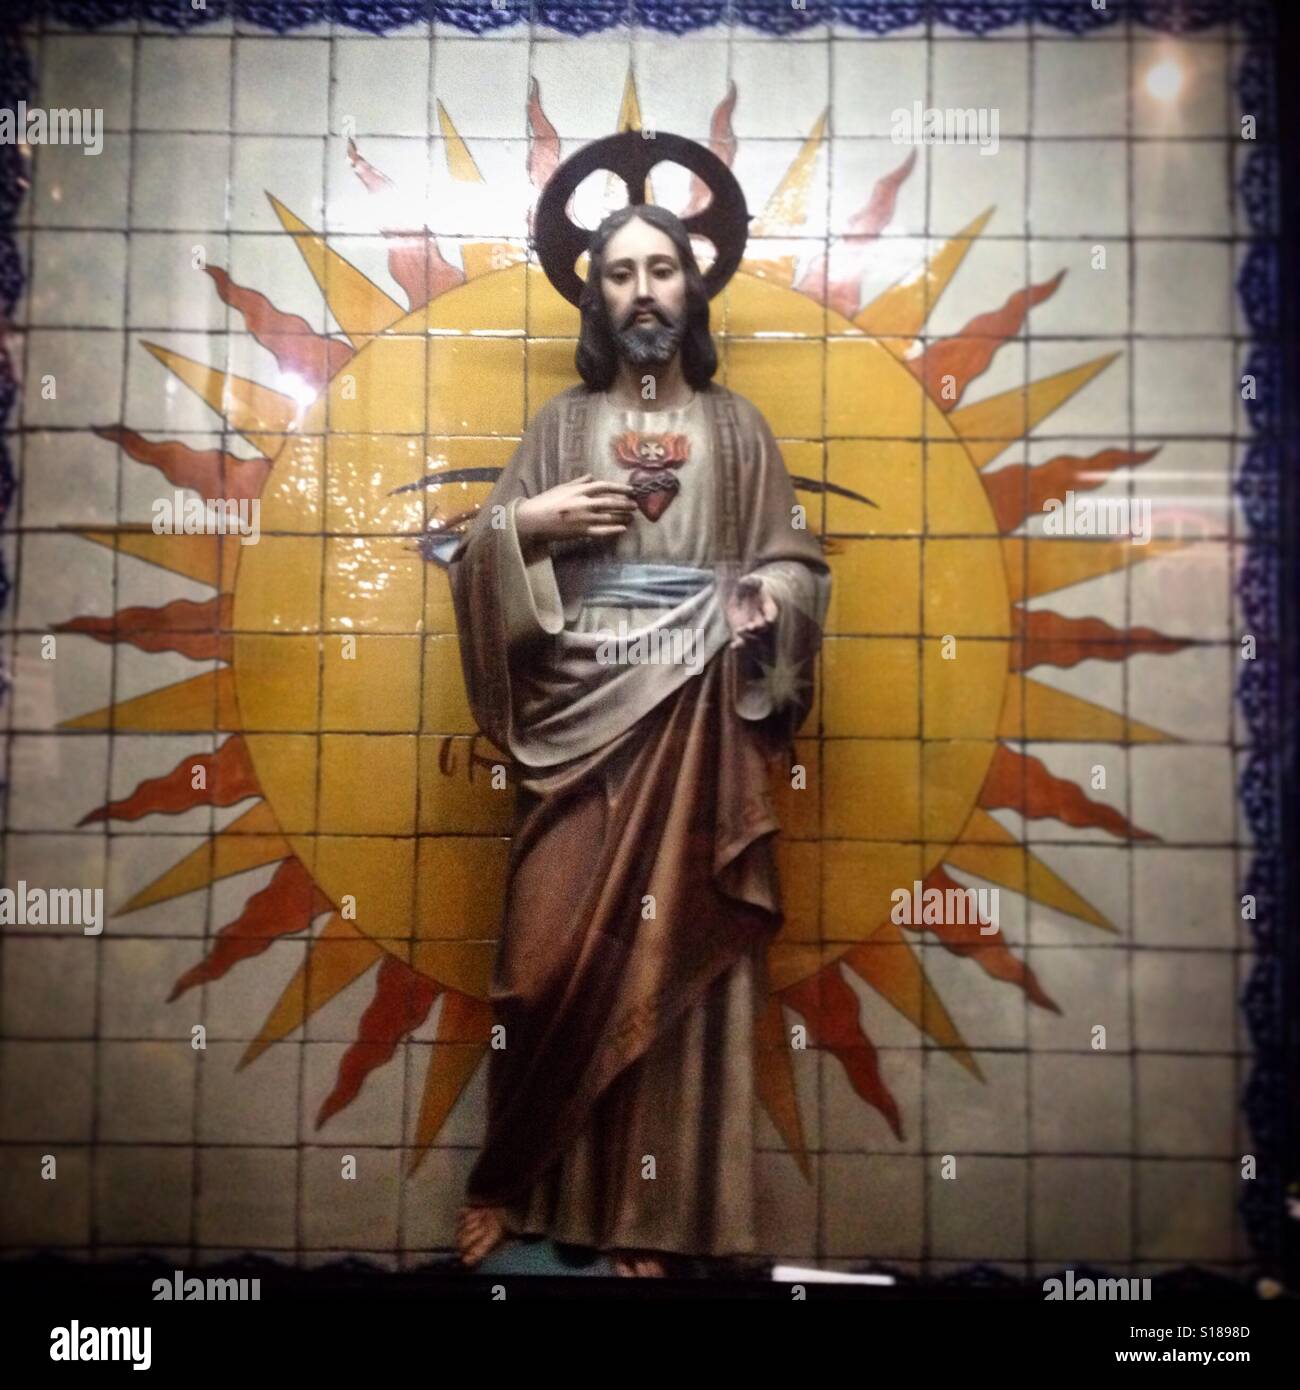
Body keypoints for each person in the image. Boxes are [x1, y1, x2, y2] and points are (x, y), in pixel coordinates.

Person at [448, 200, 830, 1277]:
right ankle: (518, 1178)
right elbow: (480, 556)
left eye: (662, 267)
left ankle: (645, 1214)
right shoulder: (559, 429)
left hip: (696, 718)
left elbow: (796, 564)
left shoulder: (738, 427)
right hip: (578, 719)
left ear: (692, 289)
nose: (644, 289)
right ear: (594, 294)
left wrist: (765, 602)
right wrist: (527, 525)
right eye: (620, 272)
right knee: (545, 967)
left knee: (666, 961)